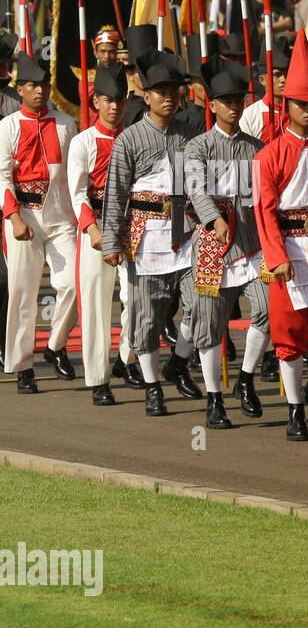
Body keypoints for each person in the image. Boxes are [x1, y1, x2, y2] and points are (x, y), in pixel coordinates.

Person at [101, 46, 203, 416]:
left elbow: (201, 187)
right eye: (161, 91)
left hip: (186, 233)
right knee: (147, 317)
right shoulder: (128, 140)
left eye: (175, 91)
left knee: (203, 305)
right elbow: (115, 194)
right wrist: (111, 240)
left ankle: (178, 363)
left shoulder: (190, 136)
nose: (169, 98)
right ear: (146, 95)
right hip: (144, 238)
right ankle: (152, 385)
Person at [253, 29, 308, 441]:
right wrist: (276, 256)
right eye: (302, 104)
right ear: (286, 104)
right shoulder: (267, 155)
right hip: (286, 249)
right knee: (289, 338)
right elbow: (263, 210)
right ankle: (294, 411)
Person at [182, 56, 269, 428]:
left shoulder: (258, 147)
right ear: (212, 104)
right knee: (209, 324)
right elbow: (196, 189)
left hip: (251, 244)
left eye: (239, 100)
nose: (234, 107)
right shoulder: (197, 147)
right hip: (213, 246)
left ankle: (246, 379)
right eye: (227, 101)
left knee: (268, 309)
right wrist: (214, 218)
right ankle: (214, 397)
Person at [0, 50, 78, 393]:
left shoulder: (65, 123)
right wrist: (13, 217)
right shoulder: (7, 126)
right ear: (20, 89)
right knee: (22, 292)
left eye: (44, 85)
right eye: (32, 86)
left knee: (73, 283)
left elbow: (75, 175)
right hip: (23, 215)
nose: (40, 92)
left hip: (60, 215)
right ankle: (22, 366)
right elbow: (2, 177)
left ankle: (55, 345)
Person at [68, 61, 135, 405]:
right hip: (95, 226)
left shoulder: (133, 138)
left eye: (120, 100)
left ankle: (128, 359)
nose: (114, 106)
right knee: (95, 304)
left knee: (137, 300)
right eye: (108, 99)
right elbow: (77, 192)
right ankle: (98, 379)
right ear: (96, 102)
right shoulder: (82, 142)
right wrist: (92, 228)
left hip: (130, 226)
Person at [240, 35, 291, 141]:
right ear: (262, 80)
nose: (284, 79)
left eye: (287, 74)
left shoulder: (299, 112)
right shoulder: (250, 116)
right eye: (277, 74)